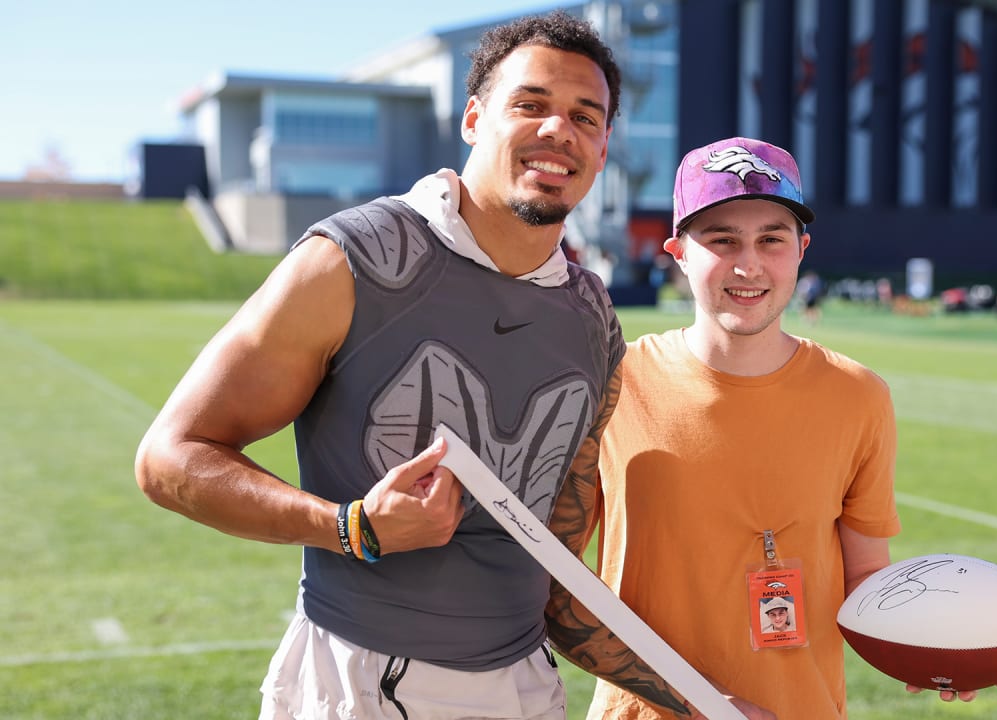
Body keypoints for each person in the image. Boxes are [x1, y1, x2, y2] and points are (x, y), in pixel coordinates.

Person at [135, 12, 630, 720]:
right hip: (363, 680)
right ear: (472, 118)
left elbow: (554, 568)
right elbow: (169, 458)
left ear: (605, 146)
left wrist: (698, 696)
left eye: (586, 116)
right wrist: (352, 525)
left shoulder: (590, 315)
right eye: (531, 105)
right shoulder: (354, 259)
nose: (560, 131)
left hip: (526, 684)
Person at [551, 137, 997, 720]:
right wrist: (704, 703)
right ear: (678, 252)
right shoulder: (611, 383)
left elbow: (866, 574)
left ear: (801, 250)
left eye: (772, 238)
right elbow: (560, 589)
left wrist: (930, 643)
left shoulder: (859, 396)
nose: (749, 264)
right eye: (722, 239)